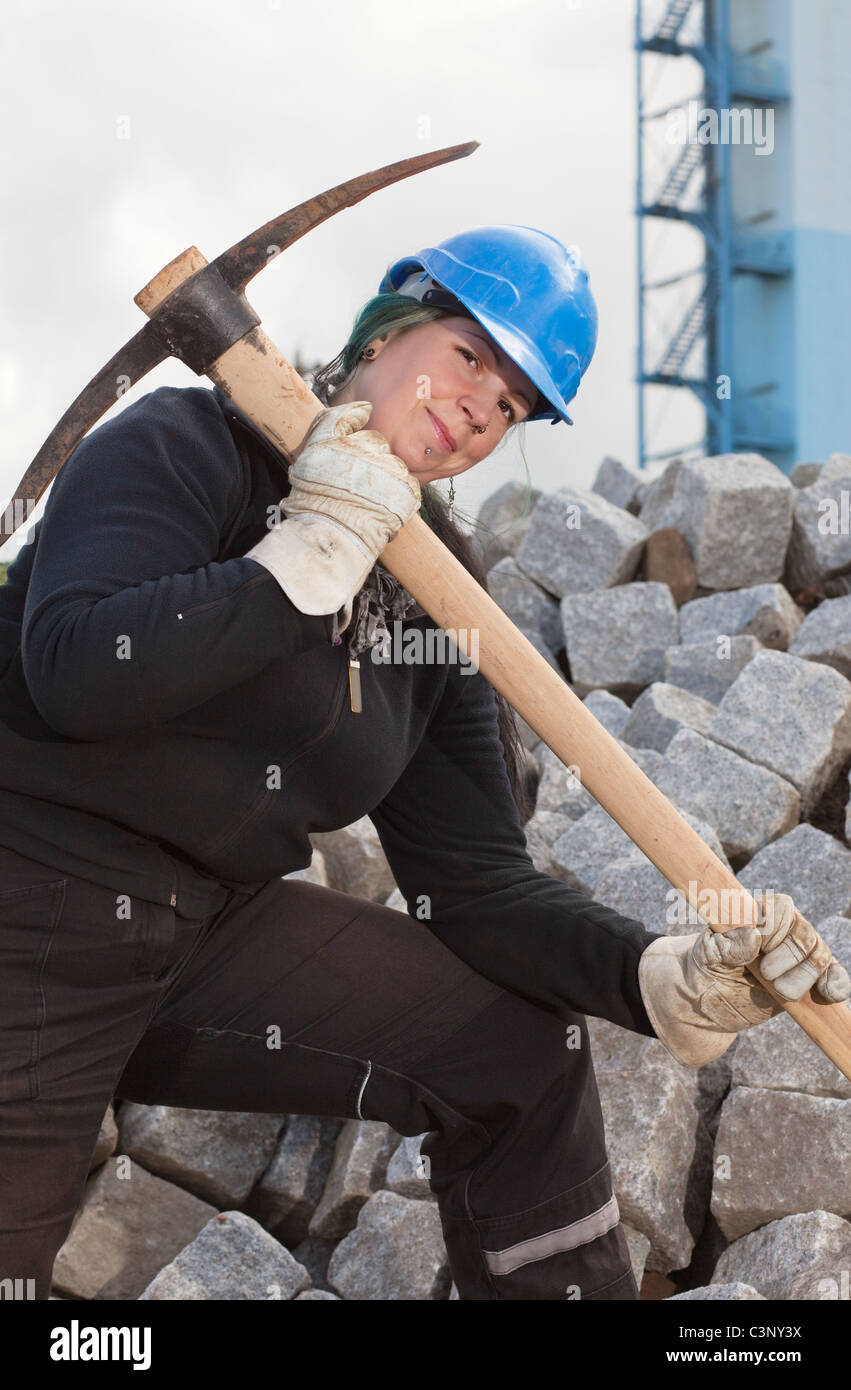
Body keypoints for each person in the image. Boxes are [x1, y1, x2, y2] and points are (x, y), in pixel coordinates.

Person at [0, 224, 847, 1303]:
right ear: (387, 327)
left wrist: (657, 976)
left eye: (507, 408)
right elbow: (76, 672)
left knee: (514, 1054)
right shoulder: (186, 443)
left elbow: (477, 888)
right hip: (29, 901)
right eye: (467, 356)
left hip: (205, 931)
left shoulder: (432, 587)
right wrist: (304, 552)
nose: (476, 408)